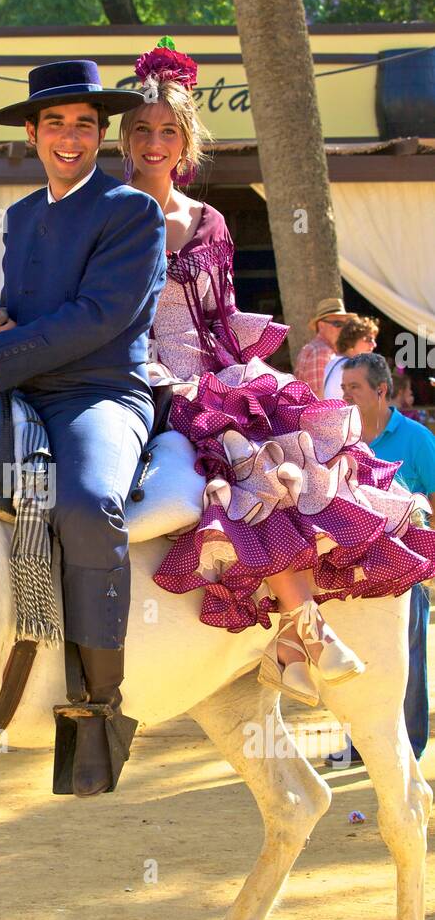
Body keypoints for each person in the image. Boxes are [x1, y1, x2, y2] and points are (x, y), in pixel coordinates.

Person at [117, 41, 435, 708]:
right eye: (142, 130)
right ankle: (300, 633)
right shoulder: (109, 213)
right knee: (250, 467)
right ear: (126, 138)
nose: (154, 142)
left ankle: (300, 631)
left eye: (167, 131)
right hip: (140, 382)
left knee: (292, 465)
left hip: (209, 375)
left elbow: (223, 314)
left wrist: (245, 377)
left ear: (185, 141)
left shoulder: (209, 221)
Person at [0, 59, 166, 797]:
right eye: (54, 123)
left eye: (85, 125)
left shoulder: (132, 211)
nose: (69, 136)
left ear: (99, 136)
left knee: (88, 504)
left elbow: (96, 318)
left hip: (100, 395)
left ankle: (99, 707)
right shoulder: (22, 216)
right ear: (32, 133)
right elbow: (33, 312)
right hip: (23, 384)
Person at [339, 353, 435, 763]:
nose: (345, 397)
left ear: (381, 391)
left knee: (408, 656)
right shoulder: (340, 437)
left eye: (353, 388)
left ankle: (408, 749)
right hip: (351, 567)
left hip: (406, 570)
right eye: (342, 389)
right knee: (355, 657)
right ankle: (363, 744)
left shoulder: (417, 439)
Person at [294, 298, 356, 397]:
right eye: (338, 324)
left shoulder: (316, 348)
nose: (344, 329)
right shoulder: (322, 352)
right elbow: (319, 399)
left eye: (346, 325)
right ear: (322, 326)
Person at [322, 316, 379, 400]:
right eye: (368, 339)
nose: (374, 345)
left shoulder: (333, 361)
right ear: (351, 341)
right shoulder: (353, 368)